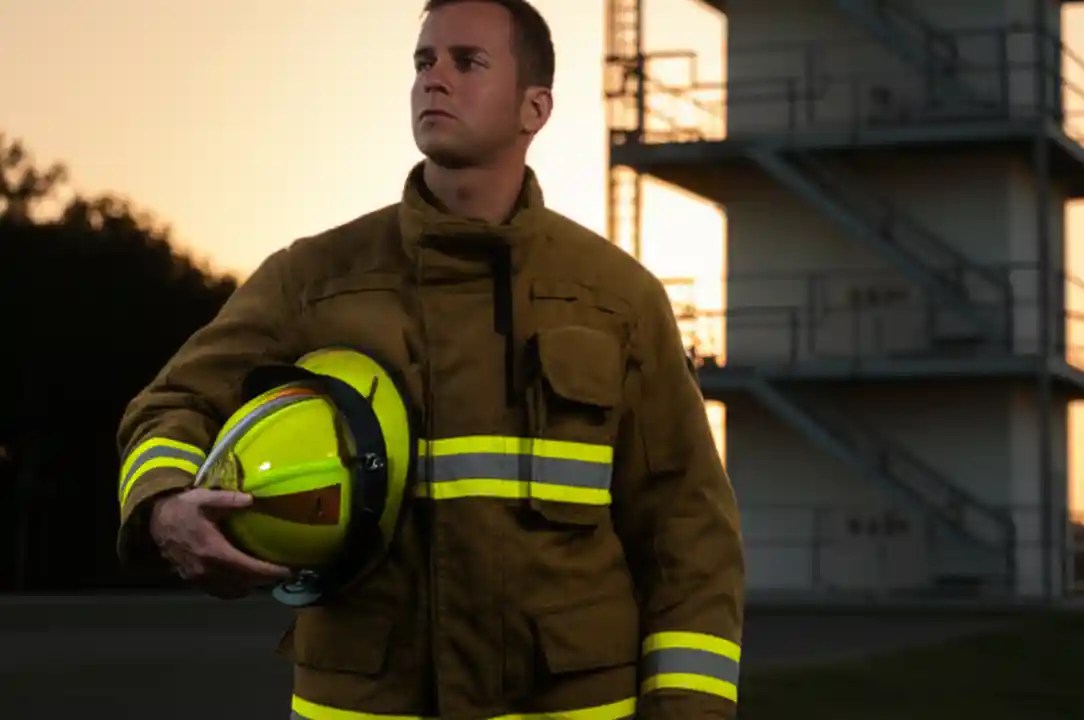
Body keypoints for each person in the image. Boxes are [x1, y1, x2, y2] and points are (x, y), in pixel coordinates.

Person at [112, 0, 746, 718]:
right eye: (423, 61)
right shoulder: (313, 279)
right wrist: (165, 504)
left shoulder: (618, 298)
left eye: (467, 62)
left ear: (534, 108)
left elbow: (687, 528)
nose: (433, 79)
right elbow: (172, 403)